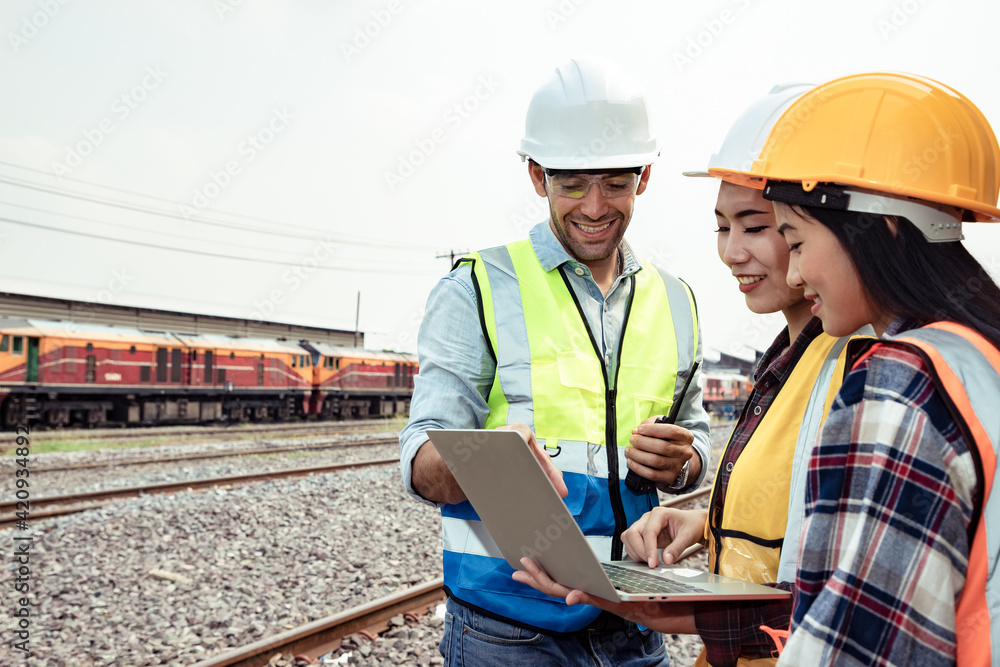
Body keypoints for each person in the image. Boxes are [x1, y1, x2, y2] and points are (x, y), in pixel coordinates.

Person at [523, 72, 1000, 666]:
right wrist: (709, 528)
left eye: (789, 237)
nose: (791, 270)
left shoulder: (895, 379)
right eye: (724, 227)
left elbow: (855, 639)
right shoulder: (975, 355)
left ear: (875, 227)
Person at [399, 56, 712, 665]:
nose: (594, 207)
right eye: (572, 184)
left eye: (615, 183)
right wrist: (487, 463)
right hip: (507, 634)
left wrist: (683, 462)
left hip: (633, 626)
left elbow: (695, 442)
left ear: (644, 177)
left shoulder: (676, 301)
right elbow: (418, 459)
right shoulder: (476, 288)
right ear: (537, 176)